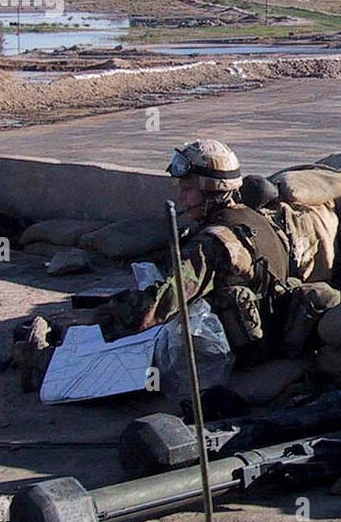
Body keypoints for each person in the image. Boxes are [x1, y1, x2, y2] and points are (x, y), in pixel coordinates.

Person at [98, 140, 297, 364]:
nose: (182, 198)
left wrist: (98, 316)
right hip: (274, 326)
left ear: (212, 190)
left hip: (250, 349)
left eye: (188, 190)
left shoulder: (214, 242)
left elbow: (159, 305)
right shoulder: (253, 217)